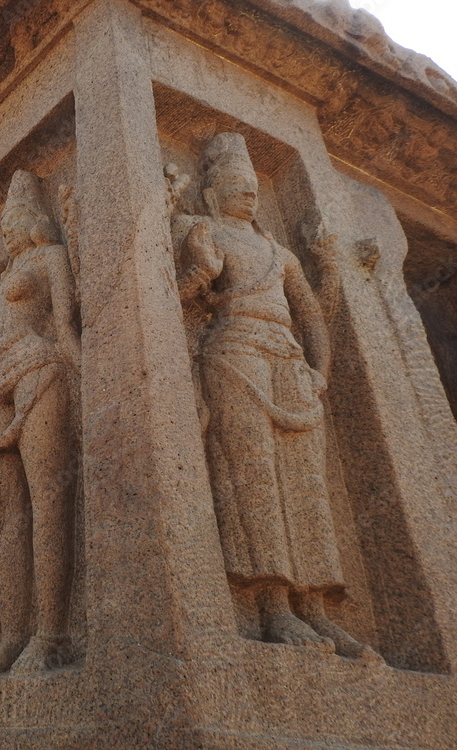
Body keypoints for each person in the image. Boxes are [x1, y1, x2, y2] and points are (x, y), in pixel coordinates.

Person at [175, 133, 380, 662]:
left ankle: (313, 605)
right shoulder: (204, 231)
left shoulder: (280, 253)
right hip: (234, 354)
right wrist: (197, 270)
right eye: (236, 186)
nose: (248, 195)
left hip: (287, 360)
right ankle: (272, 607)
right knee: (255, 479)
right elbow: (180, 297)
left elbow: (314, 317)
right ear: (213, 190)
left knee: (306, 485)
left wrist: (321, 370)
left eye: (252, 187)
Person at [0, 169, 80, 678]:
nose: (6, 231)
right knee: (5, 515)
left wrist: (91, 378)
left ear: (35, 221)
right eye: (1, 225)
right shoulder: (0, 283)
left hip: (39, 371)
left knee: (49, 502)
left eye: (15, 220)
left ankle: (52, 636)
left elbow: (66, 327)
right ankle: (12, 635)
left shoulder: (50, 258)